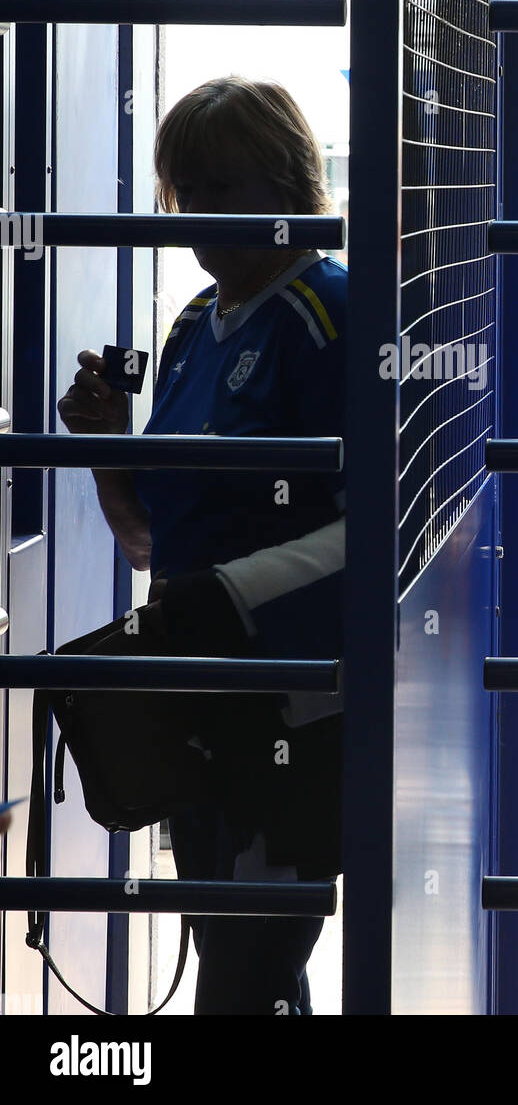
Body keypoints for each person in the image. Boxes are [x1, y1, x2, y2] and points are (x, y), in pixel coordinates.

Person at [57, 75, 346, 1015]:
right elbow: (150, 544)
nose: (199, 216)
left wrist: (236, 590)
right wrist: (106, 452)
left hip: (291, 713)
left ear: (287, 186)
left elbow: (380, 531)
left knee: (239, 980)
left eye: (225, 187)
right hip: (196, 705)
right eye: (189, 188)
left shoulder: (329, 317)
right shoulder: (191, 327)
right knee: (247, 967)